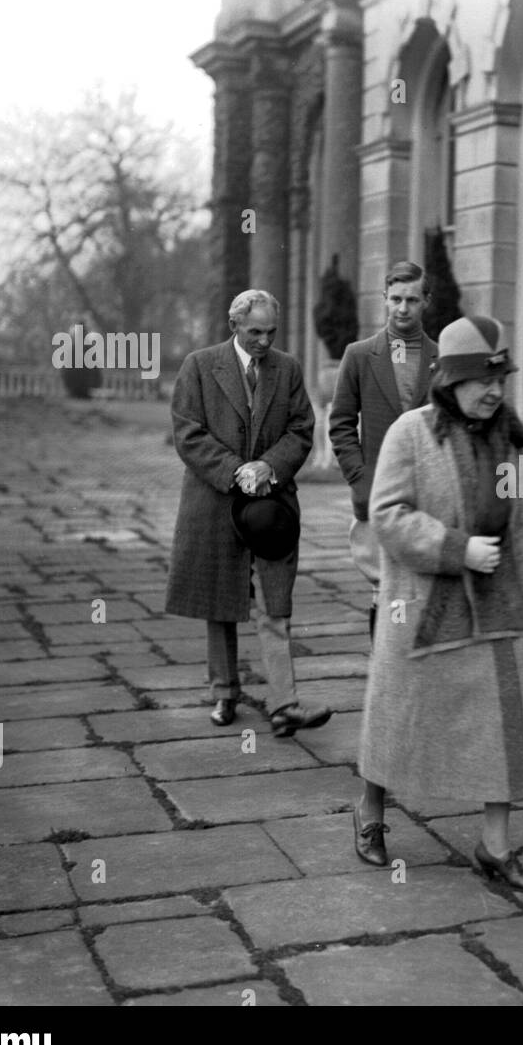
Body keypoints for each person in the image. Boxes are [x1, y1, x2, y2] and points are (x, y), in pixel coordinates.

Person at [352, 315, 523, 892]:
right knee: (399, 718)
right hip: (420, 609)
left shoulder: (507, 442)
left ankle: (493, 847)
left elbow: (521, 534)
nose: (494, 391)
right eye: (480, 381)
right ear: (449, 382)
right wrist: (457, 548)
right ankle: (370, 812)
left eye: (500, 380)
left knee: (503, 726)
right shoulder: (409, 433)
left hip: (494, 610)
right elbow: (385, 515)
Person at [165, 289, 333, 737]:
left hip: (271, 505)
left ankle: (284, 705)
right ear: (234, 325)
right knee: (220, 600)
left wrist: (268, 466)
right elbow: (187, 433)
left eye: (270, 332)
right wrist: (235, 470)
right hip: (213, 501)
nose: (263, 341)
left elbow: (302, 429)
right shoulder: (199, 366)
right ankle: (225, 693)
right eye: (255, 331)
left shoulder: (288, 369)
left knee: (275, 603)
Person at [328, 261, 440, 639]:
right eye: (395, 299)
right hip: (377, 491)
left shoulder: (442, 359)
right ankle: (384, 669)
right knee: (384, 588)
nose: (402, 308)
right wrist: (359, 479)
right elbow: (341, 423)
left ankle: (413, 672)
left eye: (412, 299)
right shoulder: (359, 355)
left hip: (427, 492)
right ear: (384, 300)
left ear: (426, 301)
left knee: (420, 590)